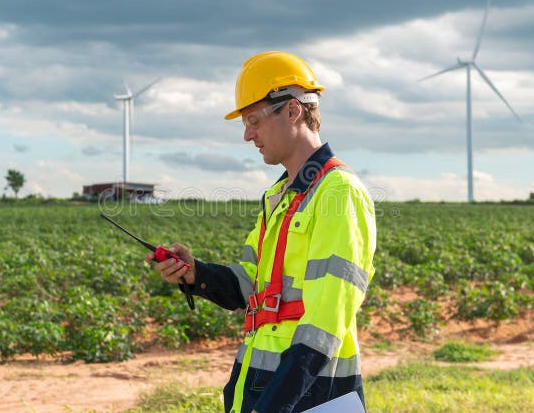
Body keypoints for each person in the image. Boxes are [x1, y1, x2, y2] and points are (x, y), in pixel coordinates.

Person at [148, 50, 376, 413]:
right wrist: (196, 274)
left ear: (292, 111)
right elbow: (249, 286)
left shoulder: (338, 192)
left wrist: (273, 407)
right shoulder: (278, 195)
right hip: (259, 385)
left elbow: (326, 320)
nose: (246, 135)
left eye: (253, 120)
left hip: (310, 395)